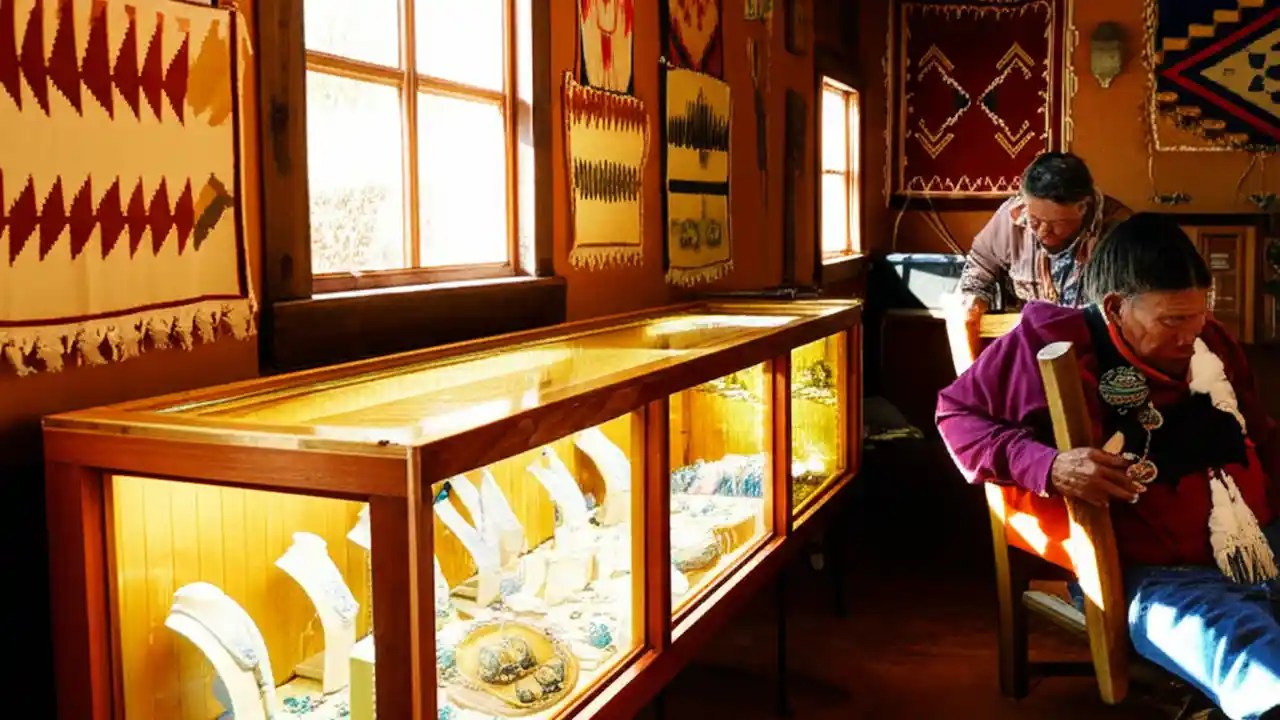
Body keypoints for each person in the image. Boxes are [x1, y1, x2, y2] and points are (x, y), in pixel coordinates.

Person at [937, 213, 1280, 720]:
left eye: (1198, 316)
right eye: (1172, 321)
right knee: (1260, 666)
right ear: (1116, 307)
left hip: (1263, 542)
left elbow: (1261, 435)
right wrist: (1050, 465)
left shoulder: (1212, 341)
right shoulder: (1047, 341)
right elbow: (957, 416)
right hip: (1156, 577)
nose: (1191, 336)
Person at [955, 152, 1131, 360]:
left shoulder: (1121, 230)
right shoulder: (1012, 216)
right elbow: (980, 264)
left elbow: (1132, 305)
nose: (1043, 231)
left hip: (1095, 351)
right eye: (1035, 221)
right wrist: (973, 299)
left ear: (1082, 208)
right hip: (1029, 347)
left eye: (1056, 223)